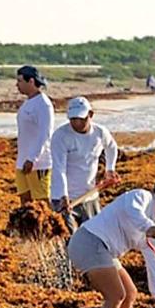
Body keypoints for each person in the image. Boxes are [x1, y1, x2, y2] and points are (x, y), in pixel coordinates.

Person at [67, 180, 155, 308]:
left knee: (130, 293)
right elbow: (133, 212)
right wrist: (148, 227)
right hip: (88, 241)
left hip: (106, 251)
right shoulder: (142, 197)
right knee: (115, 295)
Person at [50, 97, 119, 232]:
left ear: (90, 115)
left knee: (95, 234)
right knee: (68, 238)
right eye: (73, 119)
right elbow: (59, 168)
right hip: (64, 199)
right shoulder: (60, 136)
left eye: (81, 119)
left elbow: (111, 147)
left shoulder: (100, 133)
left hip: (89, 195)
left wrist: (110, 169)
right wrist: (64, 196)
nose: (76, 123)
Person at [15, 65, 54, 204]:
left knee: (41, 202)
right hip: (22, 160)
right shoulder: (28, 103)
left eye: (20, 81)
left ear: (31, 81)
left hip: (38, 163)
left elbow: (45, 134)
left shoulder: (43, 104)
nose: (17, 85)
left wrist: (32, 158)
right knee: (25, 200)